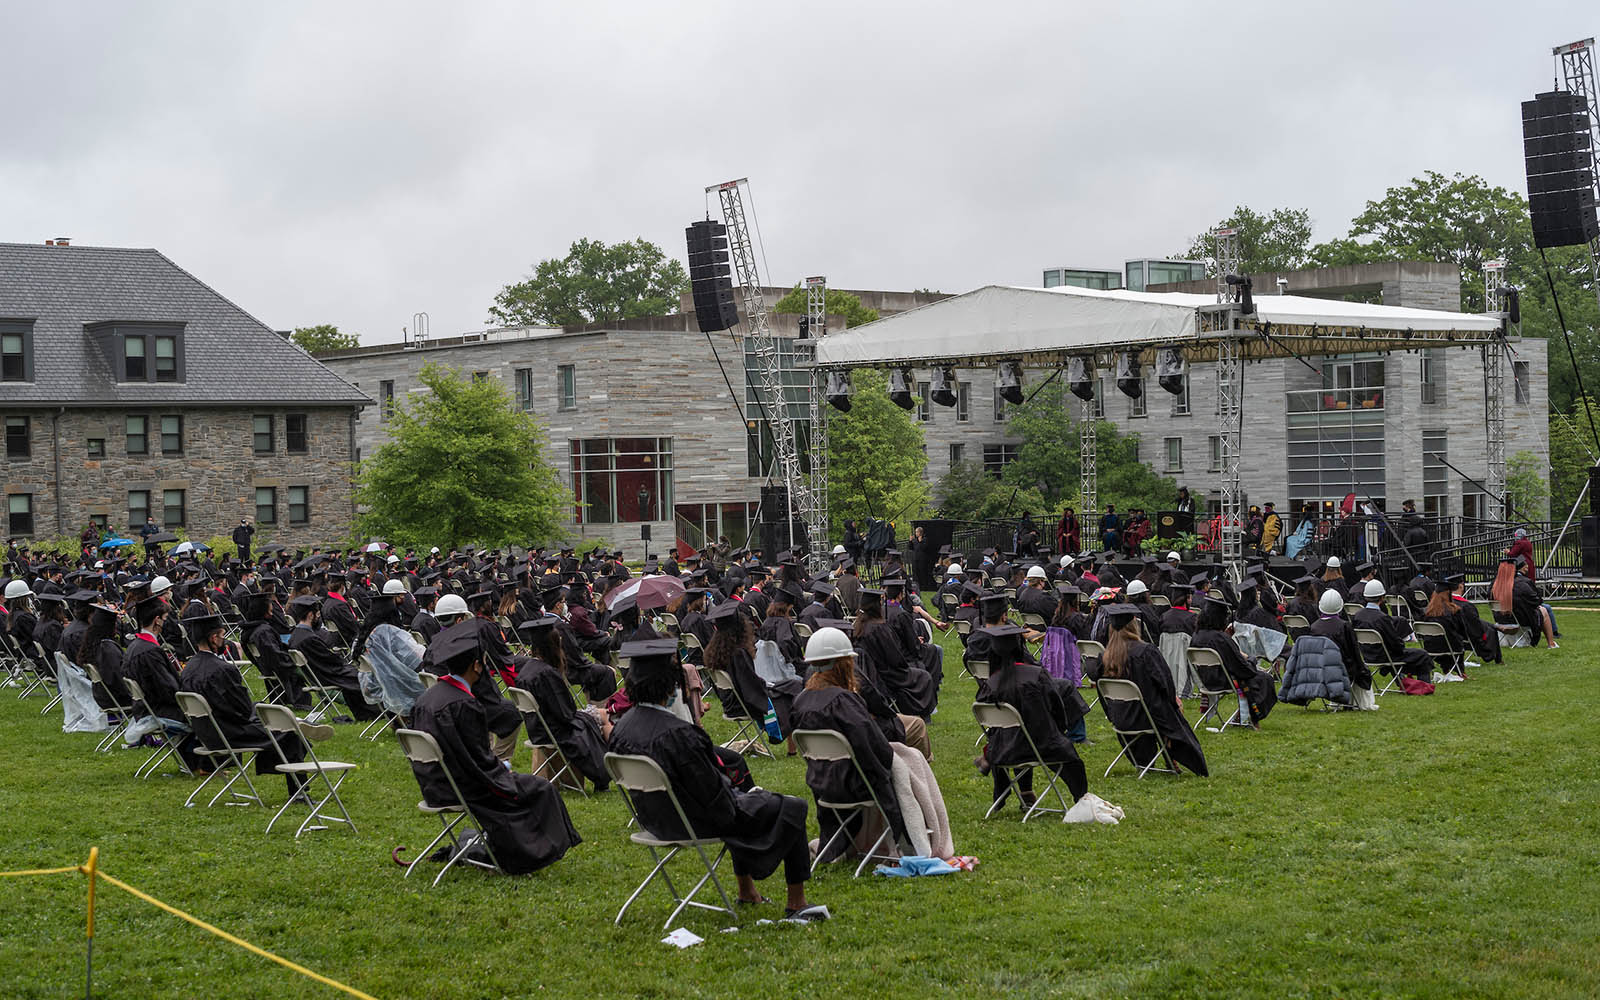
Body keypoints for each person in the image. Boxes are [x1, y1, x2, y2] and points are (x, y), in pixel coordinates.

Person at [608, 639, 827, 921]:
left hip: (654, 819)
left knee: (742, 798)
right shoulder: (679, 734)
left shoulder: (622, 728)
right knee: (792, 805)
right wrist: (742, 795)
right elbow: (716, 799)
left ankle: (747, 892)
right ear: (670, 684)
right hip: (693, 821)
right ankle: (797, 904)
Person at [407, 622, 582, 875]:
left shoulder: (426, 699)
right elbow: (478, 760)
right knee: (541, 788)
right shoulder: (464, 704)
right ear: (475, 666)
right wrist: (503, 772)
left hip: (434, 785)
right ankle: (532, 853)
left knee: (525, 783)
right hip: (463, 788)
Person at [789, 627, 911, 862]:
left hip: (822, 782)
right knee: (907, 762)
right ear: (843, 663)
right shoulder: (844, 700)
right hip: (856, 785)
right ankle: (909, 839)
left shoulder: (800, 700)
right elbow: (877, 751)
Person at [178, 612, 324, 797]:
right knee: (289, 733)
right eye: (223, 636)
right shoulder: (224, 669)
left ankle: (294, 724)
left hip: (205, 733)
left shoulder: (187, 670)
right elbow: (242, 710)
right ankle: (299, 792)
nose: (225, 640)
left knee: (262, 713)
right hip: (229, 733)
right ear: (213, 638)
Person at [978, 622, 1090, 811]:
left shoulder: (991, 683)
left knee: (1016, 733)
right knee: (1071, 760)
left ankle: (1007, 793)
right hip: (1040, 745)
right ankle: (1081, 799)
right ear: (1020, 648)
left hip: (1003, 749)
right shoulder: (1036, 675)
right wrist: (1057, 731)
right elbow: (1058, 710)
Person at [1095, 604, 1207, 776]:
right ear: (1134, 625)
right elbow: (1166, 683)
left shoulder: (1105, 657)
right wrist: (1173, 702)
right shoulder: (1145, 651)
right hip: (1148, 717)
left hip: (1121, 716)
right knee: (1173, 711)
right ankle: (1171, 750)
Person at [513, 617, 610, 792]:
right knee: (598, 720)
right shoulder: (547, 673)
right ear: (552, 647)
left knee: (591, 716)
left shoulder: (526, 670)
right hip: (556, 730)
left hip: (537, 728)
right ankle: (604, 776)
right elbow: (566, 714)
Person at [286, 595, 382, 721]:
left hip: (317, 674)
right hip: (328, 675)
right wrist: (342, 661)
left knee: (354, 673)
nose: (318, 617)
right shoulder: (309, 638)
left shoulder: (295, 635)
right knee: (363, 675)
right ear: (310, 615)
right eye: (317, 614)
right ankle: (375, 712)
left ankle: (367, 714)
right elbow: (331, 660)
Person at [1188, 597, 1278, 727]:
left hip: (1205, 681)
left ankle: (1241, 715)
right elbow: (1241, 667)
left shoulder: (1197, 635)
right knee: (1264, 678)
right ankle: (1251, 715)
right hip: (1224, 681)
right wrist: (1251, 659)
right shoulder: (1220, 638)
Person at [852, 588, 937, 718]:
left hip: (872, 674)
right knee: (923, 676)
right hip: (888, 674)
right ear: (877, 607)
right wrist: (904, 665)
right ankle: (923, 715)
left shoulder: (858, 627)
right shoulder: (879, 628)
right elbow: (895, 658)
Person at [1352, 581, 1435, 680]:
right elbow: (1395, 643)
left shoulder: (1358, 615)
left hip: (1367, 656)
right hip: (1385, 656)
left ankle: (1402, 680)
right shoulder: (1382, 618)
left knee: (1412, 655)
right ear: (1382, 597)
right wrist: (1401, 646)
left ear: (1365, 596)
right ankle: (1424, 686)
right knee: (1423, 655)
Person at [1309, 588, 1370, 689]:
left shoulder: (1314, 627)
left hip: (1319, 668)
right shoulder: (1344, 626)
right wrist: (1362, 668)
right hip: (1343, 668)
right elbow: (1354, 651)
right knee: (1361, 672)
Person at [1491, 557, 1556, 648]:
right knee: (1543, 609)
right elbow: (1537, 601)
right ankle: (1551, 643)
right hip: (1521, 621)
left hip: (1501, 621)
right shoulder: (1522, 583)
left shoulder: (1493, 585)